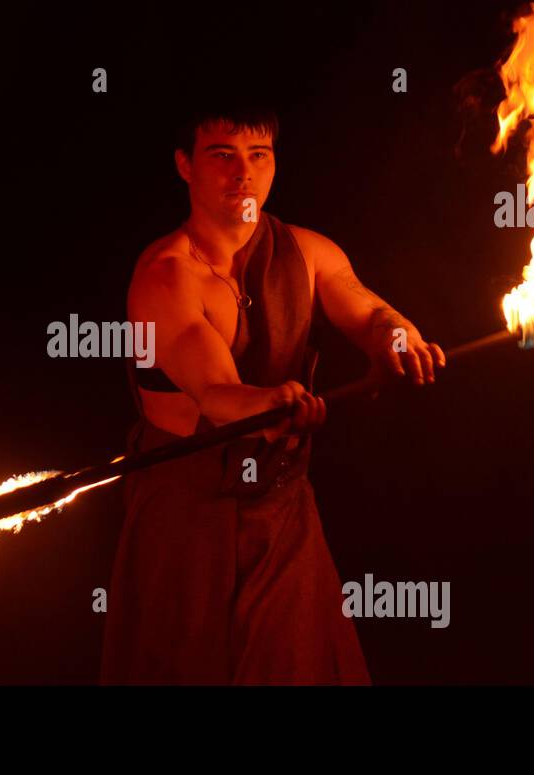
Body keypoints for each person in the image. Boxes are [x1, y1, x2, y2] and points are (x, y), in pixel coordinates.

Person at [99, 105, 446, 684]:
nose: (244, 174)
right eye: (223, 155)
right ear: (184, 166)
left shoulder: (308, 251)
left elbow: (368, 310)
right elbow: (216, 392)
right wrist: (269, 404)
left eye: (259, 156)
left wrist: (399, 339)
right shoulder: (165, 277)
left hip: (281, 505)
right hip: (189, 516)